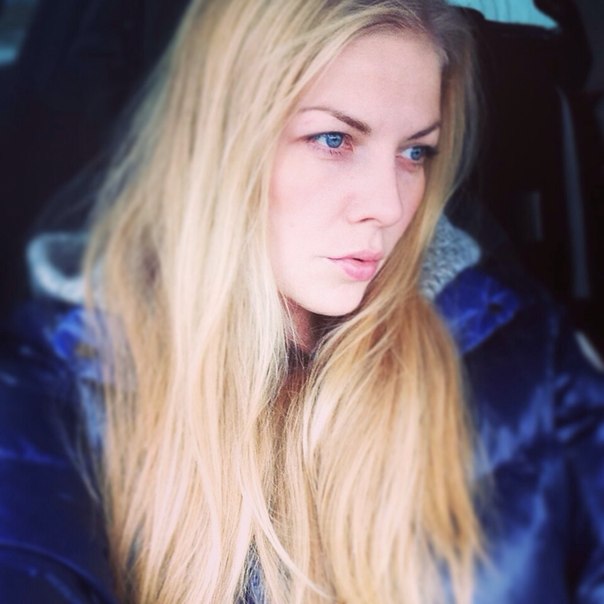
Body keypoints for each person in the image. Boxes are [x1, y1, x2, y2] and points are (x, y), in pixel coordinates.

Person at [0, 0, 603, 603]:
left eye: (415, 152)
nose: (389, 206)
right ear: (222, 140)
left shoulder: (523, 356)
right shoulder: (57, 393)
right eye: (334, 139)